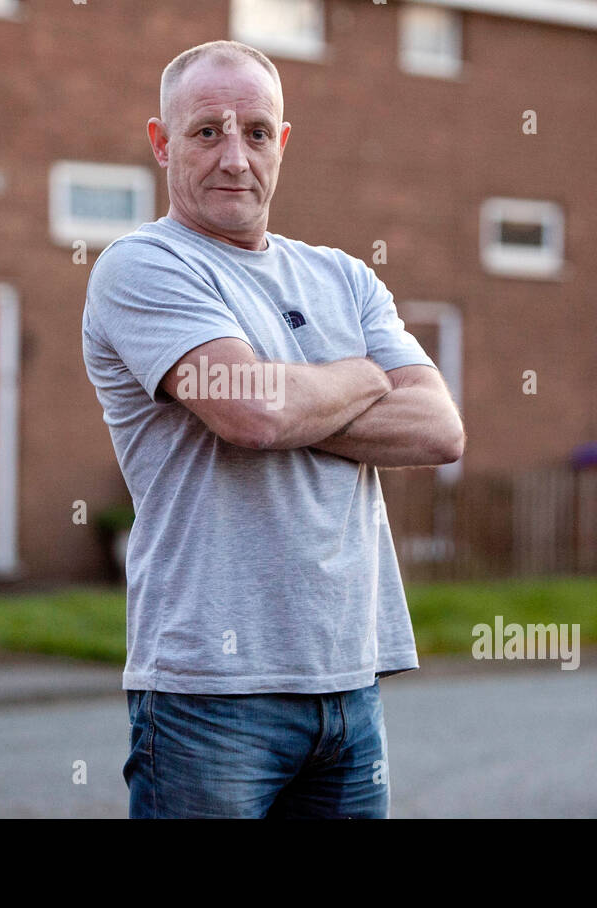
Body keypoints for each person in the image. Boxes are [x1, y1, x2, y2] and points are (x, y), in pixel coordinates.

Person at [81, 40, 465, 818]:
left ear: (281, 144)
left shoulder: (343, 276)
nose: (234, 156)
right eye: (206, 132)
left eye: (256, 132)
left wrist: (290, 397)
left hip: (350, 682)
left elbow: (438, 430)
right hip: (209, 697)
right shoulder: (144, 266)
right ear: (161, 142)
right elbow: (251, 413)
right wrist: (363, 376)